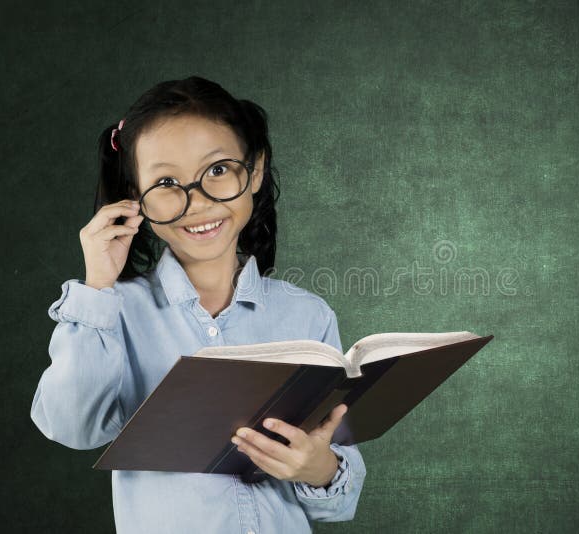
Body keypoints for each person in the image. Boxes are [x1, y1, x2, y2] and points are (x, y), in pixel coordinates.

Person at [30, 76, 366, 534]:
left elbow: (339, 498)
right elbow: (71, 427)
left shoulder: (307, 315)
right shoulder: (111, 312)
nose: (199, 202)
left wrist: (318, 468)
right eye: (167, 182)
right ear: (137, 200)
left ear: (256, 170)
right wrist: (96, 287)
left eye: (218, 170)